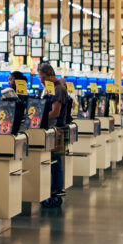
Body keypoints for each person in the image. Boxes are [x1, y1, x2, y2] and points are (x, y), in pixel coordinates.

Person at [37, 62, 69, 203]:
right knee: (54, 161)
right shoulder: (55, 86)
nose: (41, 82)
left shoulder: (58, 89)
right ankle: (54, 190)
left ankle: (56, 190)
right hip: (54, 128)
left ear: (50, 76)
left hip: (56, 128)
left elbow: (55, 112)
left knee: (55, 161)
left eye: (43, 78)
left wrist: (38, 118)